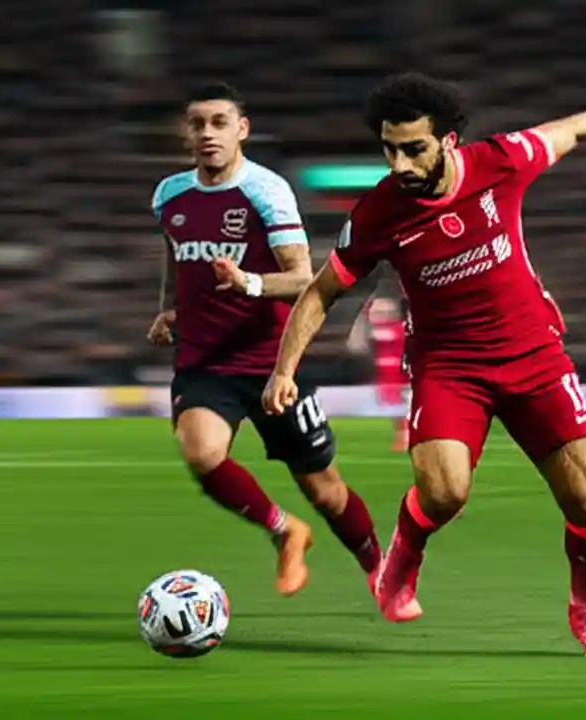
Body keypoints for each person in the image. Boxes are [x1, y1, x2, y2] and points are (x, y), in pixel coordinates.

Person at [262, 72, 586, 659]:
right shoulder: (380, 211)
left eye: (414, 148)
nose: (399, 163)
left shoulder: (502, 161)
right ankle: (403, 559)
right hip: (449, 364)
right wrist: (284, 371)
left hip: (533, 353)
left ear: (449, 141)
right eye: (389, 148)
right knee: (445, 491)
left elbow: (572, 129)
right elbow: (322, 291)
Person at [148, 82, 383, 598]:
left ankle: (380, 568)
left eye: (219, 122)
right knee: (201, 453)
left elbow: (303, 277)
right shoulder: (169, 194)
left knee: (324, 490)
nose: (208, 133)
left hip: (274, 363)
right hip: (205, 361)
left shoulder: (265, 190)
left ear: (242, 130)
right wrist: (170, 307)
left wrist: (248, 283)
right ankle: (284, 531)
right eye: (197, 124)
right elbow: (176, 256)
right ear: (185, 134)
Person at [349, 296, 411, 451]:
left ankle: (406, 436)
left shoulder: (397, 329)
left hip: (400, 374)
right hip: (386, 374)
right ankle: (403, 436)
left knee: (405, 407)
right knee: (396, 409)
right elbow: (356, 344)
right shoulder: (382, 329)